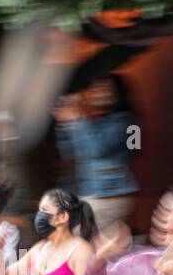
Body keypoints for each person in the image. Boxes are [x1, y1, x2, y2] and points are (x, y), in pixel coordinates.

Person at [51, 76, 139, 231]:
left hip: (108, 194)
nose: (98, 94)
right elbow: (68, 152)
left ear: (118, 94)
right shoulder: (97, 122)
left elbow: (95, 149)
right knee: (100, 244)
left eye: (105, 90)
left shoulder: (125, 121)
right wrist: (65, 123)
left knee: (75, 236)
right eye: (96, 90)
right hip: (94, 193)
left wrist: (76, 121)